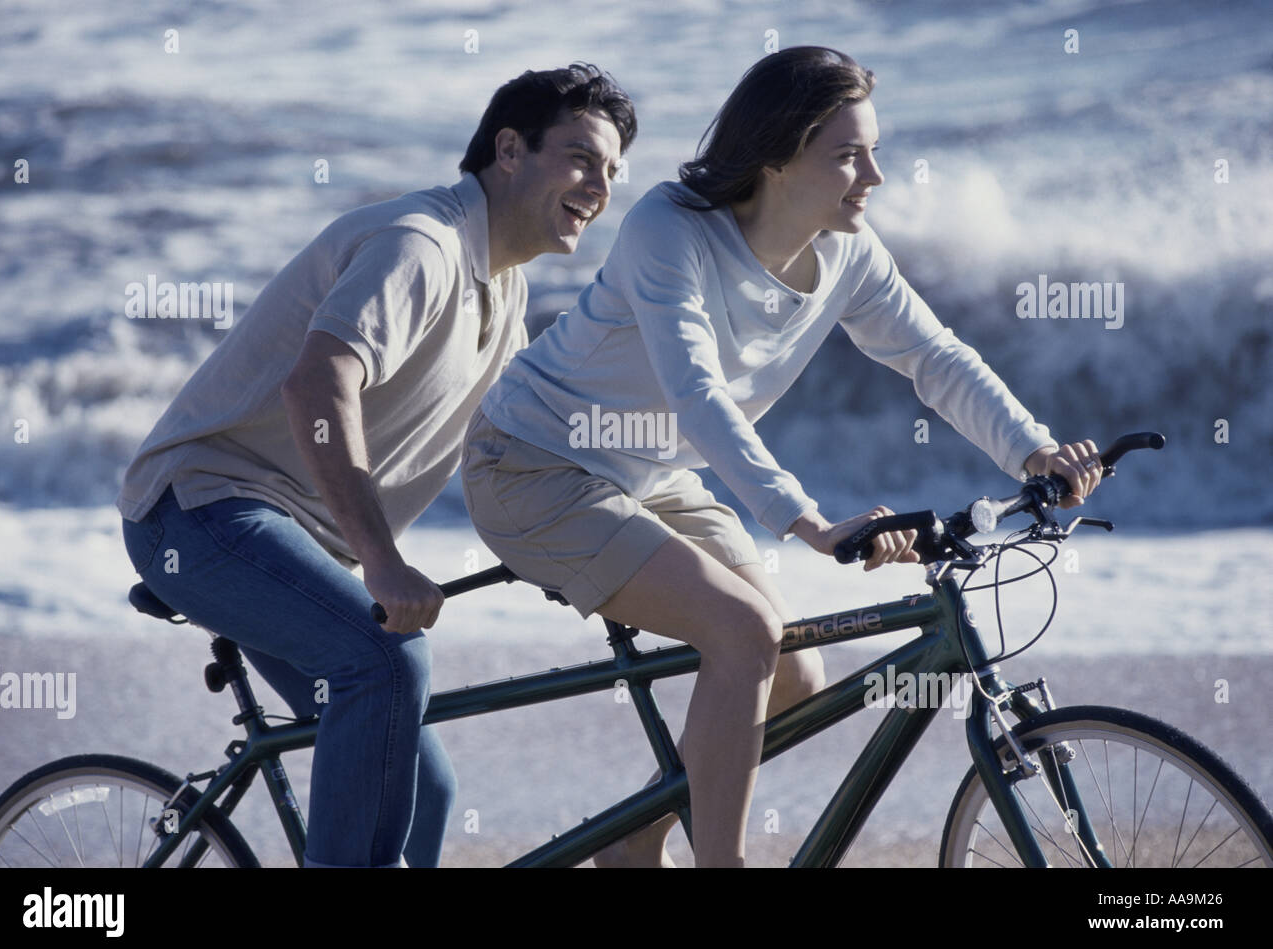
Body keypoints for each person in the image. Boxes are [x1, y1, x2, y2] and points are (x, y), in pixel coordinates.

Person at [460, 46, 1103, 867]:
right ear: (775, 157)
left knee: (793, 675)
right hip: (530, 464)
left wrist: (1034, 452)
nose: (872, 174)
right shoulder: (671, 227)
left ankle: (634, 841)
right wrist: (806, 522)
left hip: (653, 477)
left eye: (873, 151)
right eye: (846, 155)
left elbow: (934, 359)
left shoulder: (848, 253)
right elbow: (697, 391)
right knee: (745, 632)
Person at [116, 64, 636, 867]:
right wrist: (385, 563)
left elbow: (532, 446)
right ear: (508, 150)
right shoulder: (421, 246)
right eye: (581, 158)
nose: (601, 185)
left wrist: (622, 542)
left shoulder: (504, 289)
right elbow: (319, 381)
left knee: (425, 788)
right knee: (388, 663)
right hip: (203, 510)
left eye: (613, 170)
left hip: (295, 540)